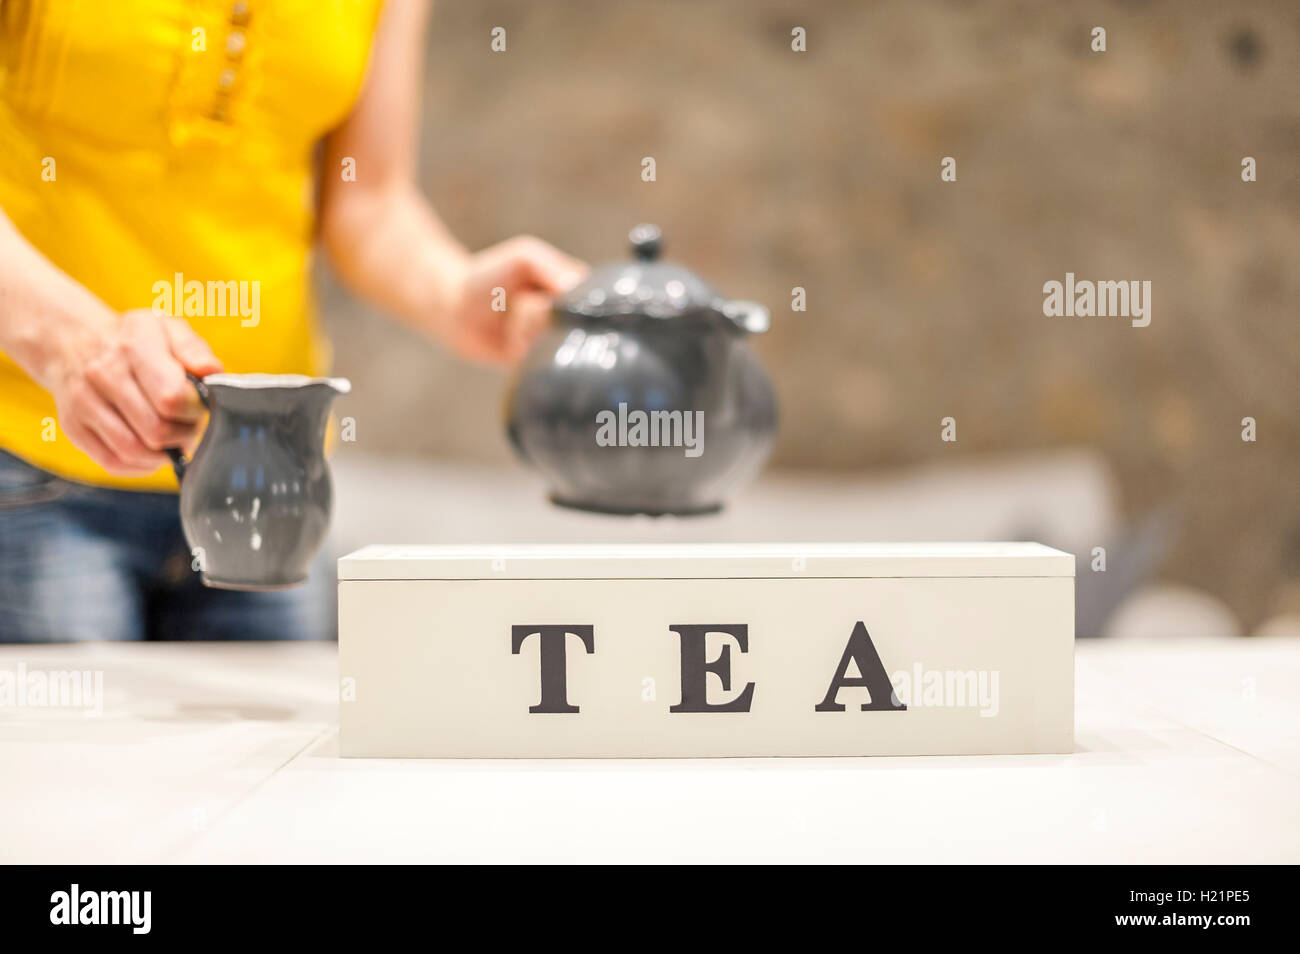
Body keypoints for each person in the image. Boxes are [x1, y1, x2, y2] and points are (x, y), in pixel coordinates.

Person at [0, 0, 586, 641]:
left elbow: (370, 200)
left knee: (281, 742)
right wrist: (71, 345)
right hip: (30, 470)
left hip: (275, 472)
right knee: (76, 742)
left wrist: (459, 295)